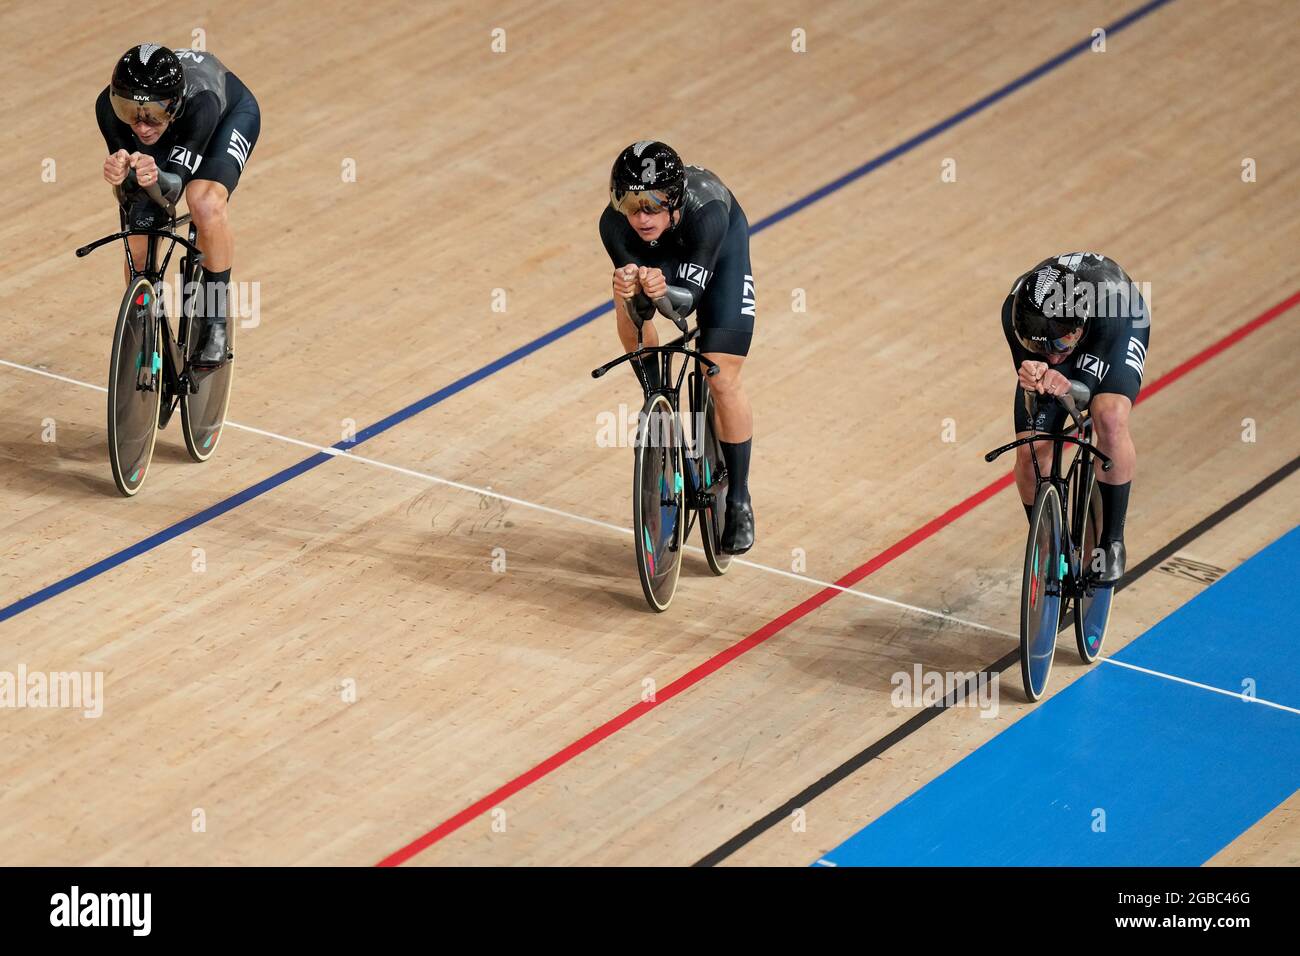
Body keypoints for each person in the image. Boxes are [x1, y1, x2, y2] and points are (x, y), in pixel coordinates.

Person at [600, 141, 757, 554]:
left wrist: (663, 289)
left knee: (720, 373)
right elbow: (640, 307)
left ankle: (739, 499)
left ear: (674, 200)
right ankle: (655, 391)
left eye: (653, 205)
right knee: (622, 292)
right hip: (667, 261)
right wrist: (635, 290)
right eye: (632, 205)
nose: (642, 217)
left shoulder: (707, 213)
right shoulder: (614, 225)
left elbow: (686, 303)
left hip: (717, 260)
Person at [97, 43, 261, 368]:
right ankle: (144, 326)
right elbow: (131, 192)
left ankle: (214, 323)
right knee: (140, 225)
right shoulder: (108, 107)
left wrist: (152, 174)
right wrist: (121, 174)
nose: (141, 126)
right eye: (131, 114)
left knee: (204, 202)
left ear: (173, 104)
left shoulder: (201, 104)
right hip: (173, 136)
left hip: (222, 123)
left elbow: (173, 187)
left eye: (153, 115)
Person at [1003, 252, 1151, 584]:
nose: (1054, 357)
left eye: (1063, 345)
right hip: (1065, 328)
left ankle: (1112, 541)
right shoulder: (1015, 311)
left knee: (1109, 417)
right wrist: (1035, 369)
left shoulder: (1109, 310)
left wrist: (1067, 382)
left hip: (1118, 325)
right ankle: (1048, 547)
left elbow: (1085, 396)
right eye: (1045, 349)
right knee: (1029, 455)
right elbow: (1034, 368)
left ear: (1077, 327)